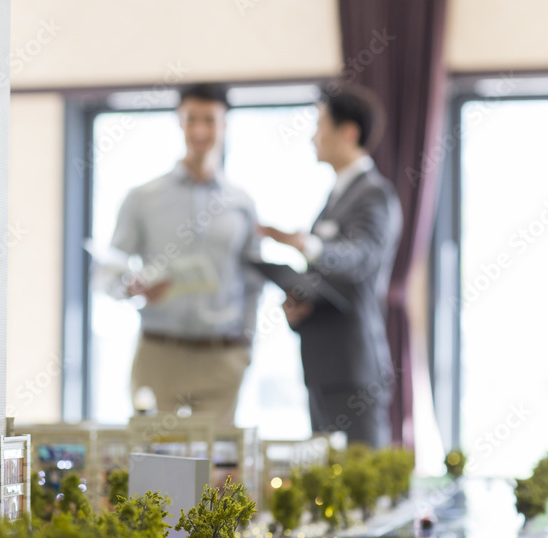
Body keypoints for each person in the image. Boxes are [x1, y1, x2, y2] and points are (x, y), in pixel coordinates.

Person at [105, 83, 263, 427]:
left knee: (217, 460)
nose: (200, 131)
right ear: (179, 122)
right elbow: (107, 271)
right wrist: (129, 286)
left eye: (209, 120)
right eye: (191, 119)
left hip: (223, 357)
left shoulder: (242, 204)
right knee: (153, 456)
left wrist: (247, 346)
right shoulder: (142, 198)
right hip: (159, 353)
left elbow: (253, 282)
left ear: (225, 124)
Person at [261, 84, 402, 448]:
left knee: (361, 476)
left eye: (320, 126)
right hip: (324, 365)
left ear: (348, 132)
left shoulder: (374, 194)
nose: (313, 138)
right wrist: (301, 304)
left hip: (354, 367)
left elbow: (359, 256)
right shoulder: (336, 195)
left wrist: (304, 244)